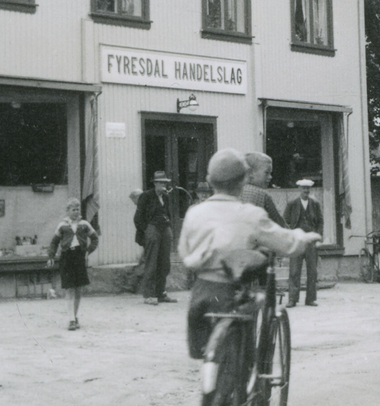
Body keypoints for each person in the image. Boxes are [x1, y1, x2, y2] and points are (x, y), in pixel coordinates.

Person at [178, 148, 321, 360]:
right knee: (244, 342)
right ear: (243, 180)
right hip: (232, 292)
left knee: (205, 354)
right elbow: (284, 240)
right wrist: (304, 237)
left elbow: (184, 250)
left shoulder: (194, 213)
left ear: (209, 180)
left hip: (201, 294)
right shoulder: (250, 215)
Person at [46, 197, 99, 330]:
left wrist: (88, 252)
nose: (75, 212)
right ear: (67, 211)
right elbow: (54, 242)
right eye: (73, 210)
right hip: (67, 258)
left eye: (77, 209)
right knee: (69, 288)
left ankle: (74, 317)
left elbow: (94, 238)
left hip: (79, 257)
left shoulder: (84, 224)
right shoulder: (62, 225)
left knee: (78, 289)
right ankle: (70, 320)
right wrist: (51, 256)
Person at [133, 170, 177, 305]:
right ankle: (149, 294)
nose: (163, 185)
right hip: (152, 229)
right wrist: (147, 231)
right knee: (151, 262)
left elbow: (168, 214)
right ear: (155, 183)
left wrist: (169, 228)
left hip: (165, 229)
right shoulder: (146, 196)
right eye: (161, 183)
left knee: (164, 263)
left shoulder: (166, 197)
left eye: (165, 183)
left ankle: (161, 293)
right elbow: (138, 218)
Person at [283, 179, 323, 307]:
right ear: (299, 189)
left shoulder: (315, 204)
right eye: (303, 188)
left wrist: (317, 236)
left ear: (309, 190)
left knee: (312, 271)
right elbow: (285, 221)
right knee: (294, 270)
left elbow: (320, 222)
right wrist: (291, 235)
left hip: (310, 241)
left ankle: (310, 299)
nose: (306, 191)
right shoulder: (292, 204)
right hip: (297, 241)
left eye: (308, 188)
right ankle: (292, 299)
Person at [241, 152, 287, 227]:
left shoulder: (234, 191)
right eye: (266, 173)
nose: (270, 177)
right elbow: (279, 223)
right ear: (250, 173)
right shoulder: (262, 194)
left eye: (270, 173)